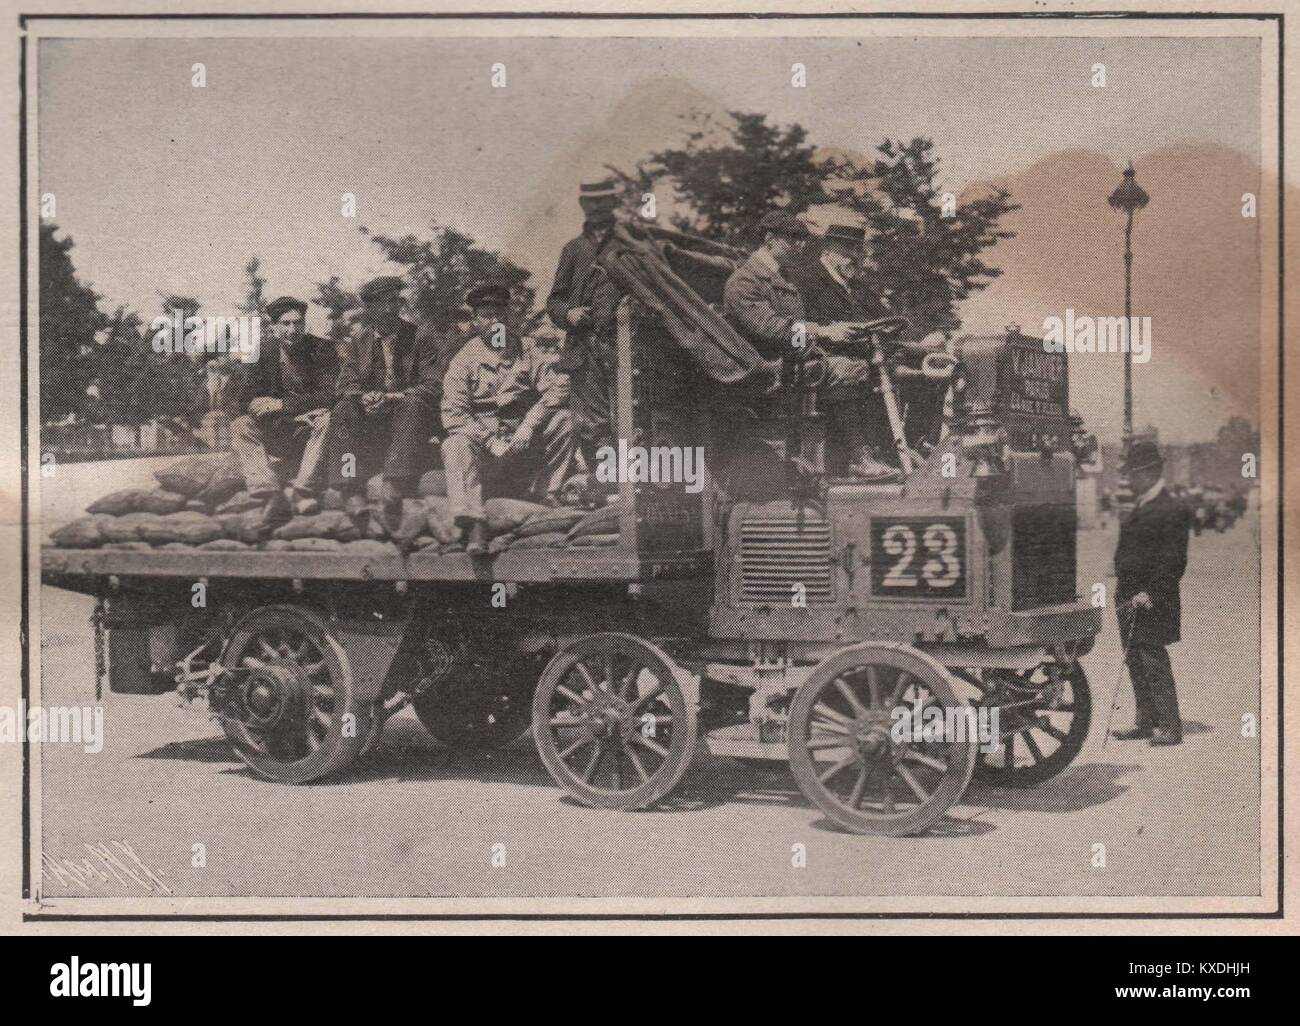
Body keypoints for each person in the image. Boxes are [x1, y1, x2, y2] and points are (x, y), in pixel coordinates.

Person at [722, 211, 897, 481]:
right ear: (769, 239)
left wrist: (823, 335)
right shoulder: (744, 282)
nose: (801, 246)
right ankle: (859, 458)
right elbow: (772, 329)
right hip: (765, 367)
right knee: (846, 369)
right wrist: (823, 333)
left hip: (794, 360)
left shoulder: (783, 279)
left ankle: (872, 454)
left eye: (802, 239)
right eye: (792, 239)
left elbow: (793, 326)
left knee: (860, 367)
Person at [442, 282, 576, 555]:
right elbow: (455, 413)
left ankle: (548, 492)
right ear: (475, 322)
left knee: (565, 419)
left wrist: (528, 426)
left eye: (501, 316)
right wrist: (490, 441)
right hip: (487, 445)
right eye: (487, 317)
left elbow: (557, 390)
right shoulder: (463, 360)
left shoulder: (527, 348)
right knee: (453, 444)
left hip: (525, 441)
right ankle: (475, 522)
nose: (496, 323)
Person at [323, 275, 448, 520]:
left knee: (412, 405)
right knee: (343, 409)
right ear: (369, 310)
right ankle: (350, 487)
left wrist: (392, 397)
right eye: (382, 305)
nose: (390, 310)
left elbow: (434, 385)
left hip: (411, 419)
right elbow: (345, 384)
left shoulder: (420, 336)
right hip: (372, 418)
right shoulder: (359, 340)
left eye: (395, 303)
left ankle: (393, 485)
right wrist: (365, 397)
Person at [230, 295, 337, 529]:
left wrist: (283, 405)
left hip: (311, 434)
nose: (292, 330)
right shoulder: (263, 352)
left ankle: (303, 490)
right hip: (279, 431)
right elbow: (243, 401)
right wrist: (261, 404)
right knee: (241, 424)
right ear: (274, 327)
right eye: (285, 324)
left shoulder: (323, 349)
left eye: (298, 323)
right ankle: (270, 494)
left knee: (329, 418)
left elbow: (330, 395)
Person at [1111, 440, 1191, 746]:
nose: (1128, 479)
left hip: (1149, 599)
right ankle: (1145, 721)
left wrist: (1149, 592)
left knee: (1153, 660)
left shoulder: (1171, 507)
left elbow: (1172, 561)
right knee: (1134, 659)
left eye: (1132, 473)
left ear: (1147, 472)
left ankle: (1171, 726)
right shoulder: (1142, 502)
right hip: (1128, 596)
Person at [546, 179, 625, 472]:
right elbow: (553, 302)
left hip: (625, 347)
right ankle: (606, 487)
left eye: (603, 201)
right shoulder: (573, 250)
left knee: (631, 417)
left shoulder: (630, 245)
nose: (596, 208)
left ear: (613, 204)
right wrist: (569, 314)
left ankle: (635, 488)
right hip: (584, 351)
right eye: (590, 202)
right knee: (592, 425)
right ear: (582, 206)